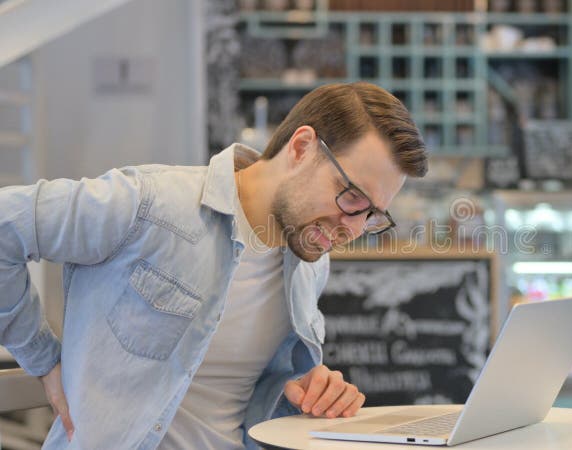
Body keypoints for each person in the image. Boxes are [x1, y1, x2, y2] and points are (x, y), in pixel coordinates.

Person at [0, 82, 428, 449]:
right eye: (351, 197)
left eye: (372, 215)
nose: (352, 229)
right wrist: (43, 361)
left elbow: (236, 388)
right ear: (301, 147)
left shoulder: (309, 261)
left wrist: (309, 390)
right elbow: (5, 226)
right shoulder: (149, 204)